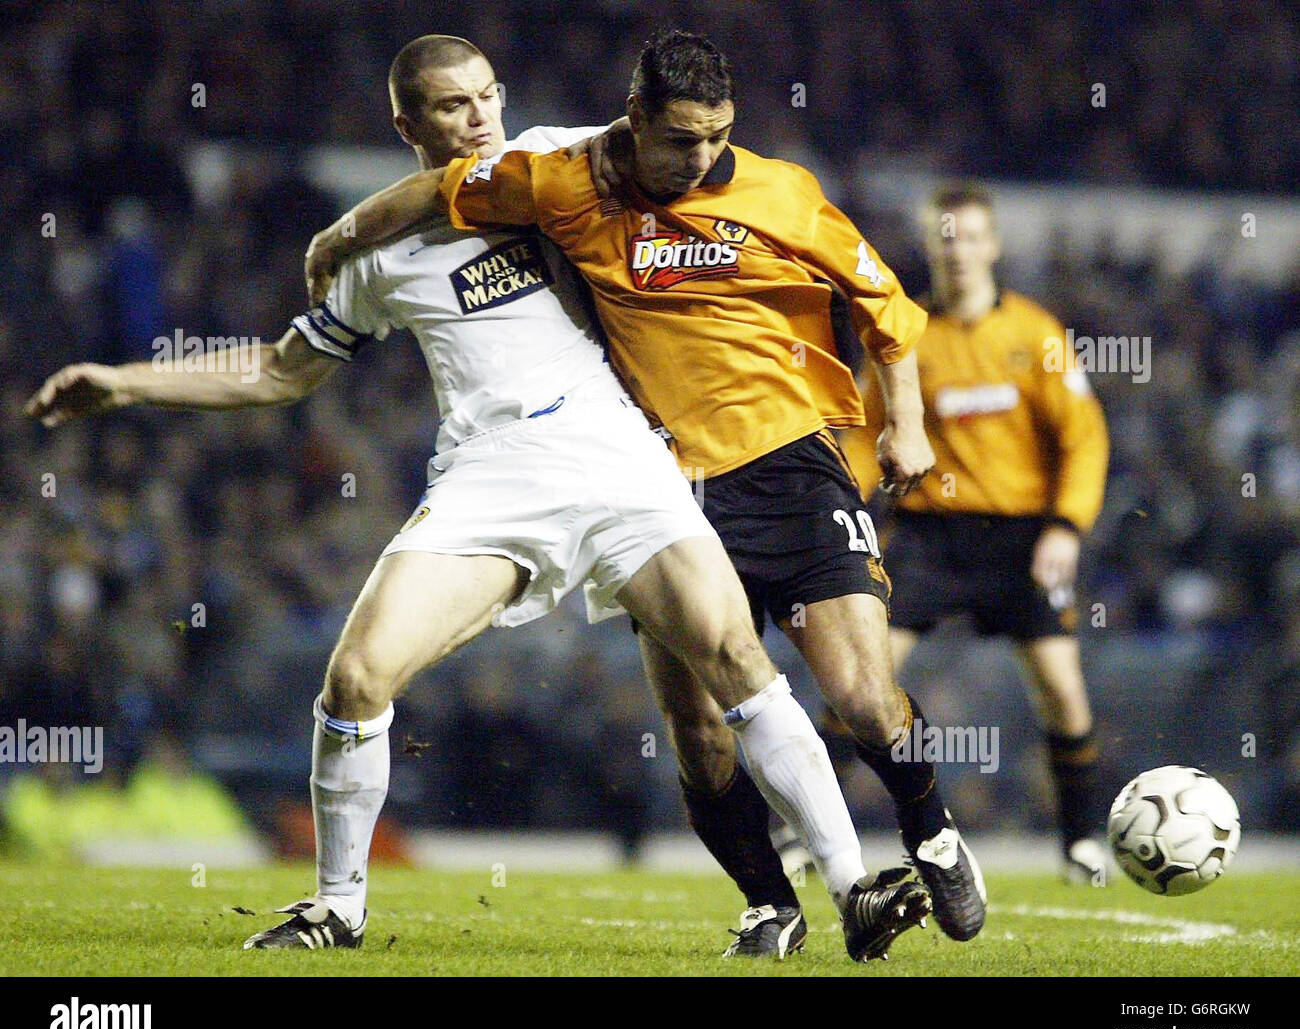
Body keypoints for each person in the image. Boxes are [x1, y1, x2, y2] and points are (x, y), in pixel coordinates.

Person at [26, 34, 929, 962]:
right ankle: (338, 906)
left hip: (621, 457)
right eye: (454, 107)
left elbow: (717, 203)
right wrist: (126, 381)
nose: (481, 118)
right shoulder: (384, 260)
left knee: (735, 654)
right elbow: (276, 373)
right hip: (492, 477)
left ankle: (855, 886)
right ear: (406, 123)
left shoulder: (569, 164)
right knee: (357, 676)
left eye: (489, 96)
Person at [306, 29, 986, 949]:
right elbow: (436, 189)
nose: (702, 158)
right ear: (635, 121)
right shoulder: (563, 180)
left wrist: (902, 423)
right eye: (680, 140)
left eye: (717, 137)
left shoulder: (780, 190)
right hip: (659, 484)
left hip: (787, 460)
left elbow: (888, 307)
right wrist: (341, 236)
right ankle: (771, 906)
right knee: (702, 740)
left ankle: (931, 829)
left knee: (863, 700)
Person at [840, 182, 1111, 882]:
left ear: (993, 245)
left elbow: (1084, 438)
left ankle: (1080, 842)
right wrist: (846, 504)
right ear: (931, 245)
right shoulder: (906, 337)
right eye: (945, 235)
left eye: (969, 235)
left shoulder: (1034, 334)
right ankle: (808, 830)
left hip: (1023, 537)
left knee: (1062, 689)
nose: (957, 248)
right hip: (929, 536)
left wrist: (1066, 526)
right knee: (862, 682)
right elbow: (870, 434)